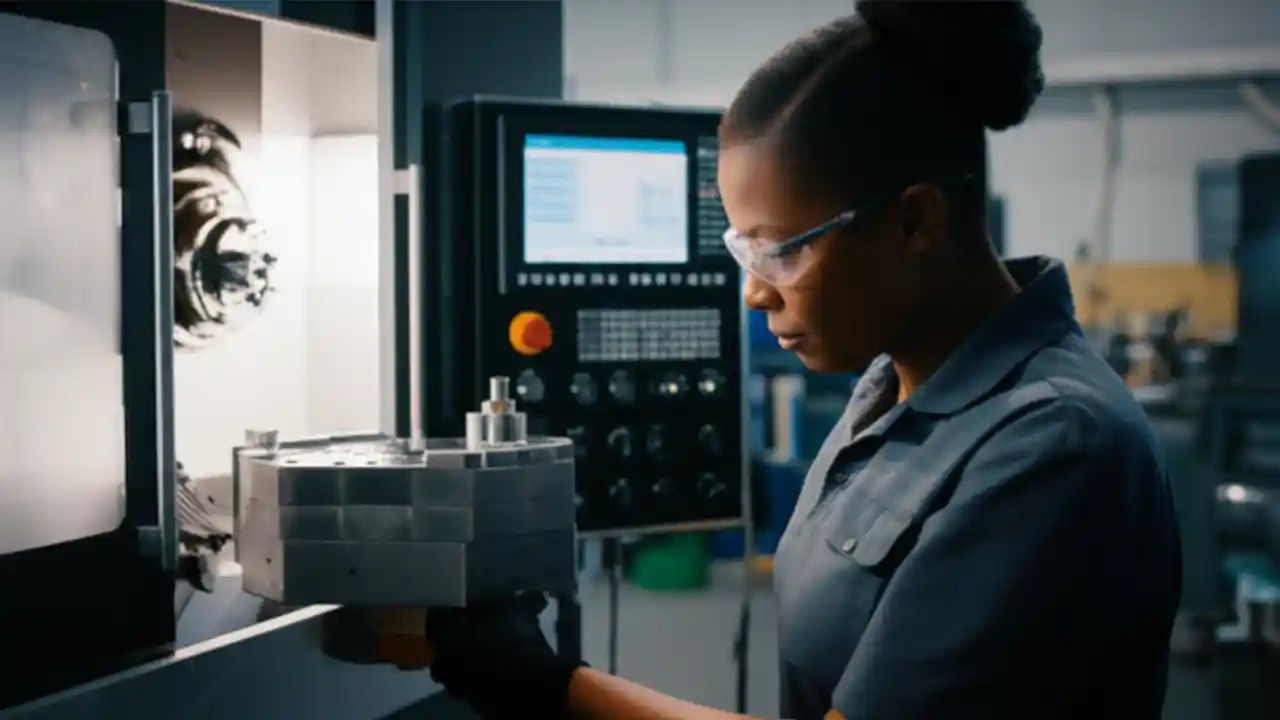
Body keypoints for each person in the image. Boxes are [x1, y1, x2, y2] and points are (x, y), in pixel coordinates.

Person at [424, 2, 1183, 719]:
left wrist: (547, 687)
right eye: (742, 250)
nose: (755, 293)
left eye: (781, 251)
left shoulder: (1053, 446)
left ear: (913, 221)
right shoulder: (890, 388)